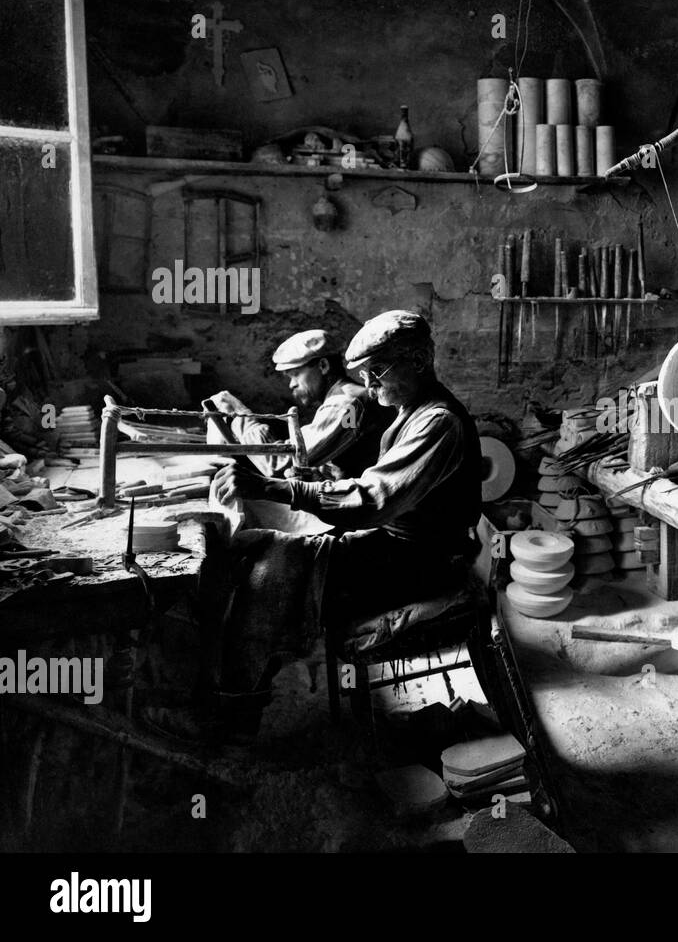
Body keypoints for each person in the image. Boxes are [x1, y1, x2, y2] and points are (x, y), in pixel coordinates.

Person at [148, 311, 483, 742]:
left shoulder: (438, 422)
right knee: (273, 554)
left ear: (418, 361)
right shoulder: (408, 410)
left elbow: (372, 500)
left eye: (377, 372)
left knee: (270, 574)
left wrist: (276, 487)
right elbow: (369, 492)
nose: (370, 384)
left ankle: (230, 719)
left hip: (423, 562)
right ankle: (232, 694)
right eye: (365, 374)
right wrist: (308, 488)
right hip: (397, 544)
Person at [206, 329, 392, 479]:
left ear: (323, 366)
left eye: (295, 374)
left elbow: (279, 464)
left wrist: (240, 415)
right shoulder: (352, 396)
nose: (291, 384)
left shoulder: (345, 405)